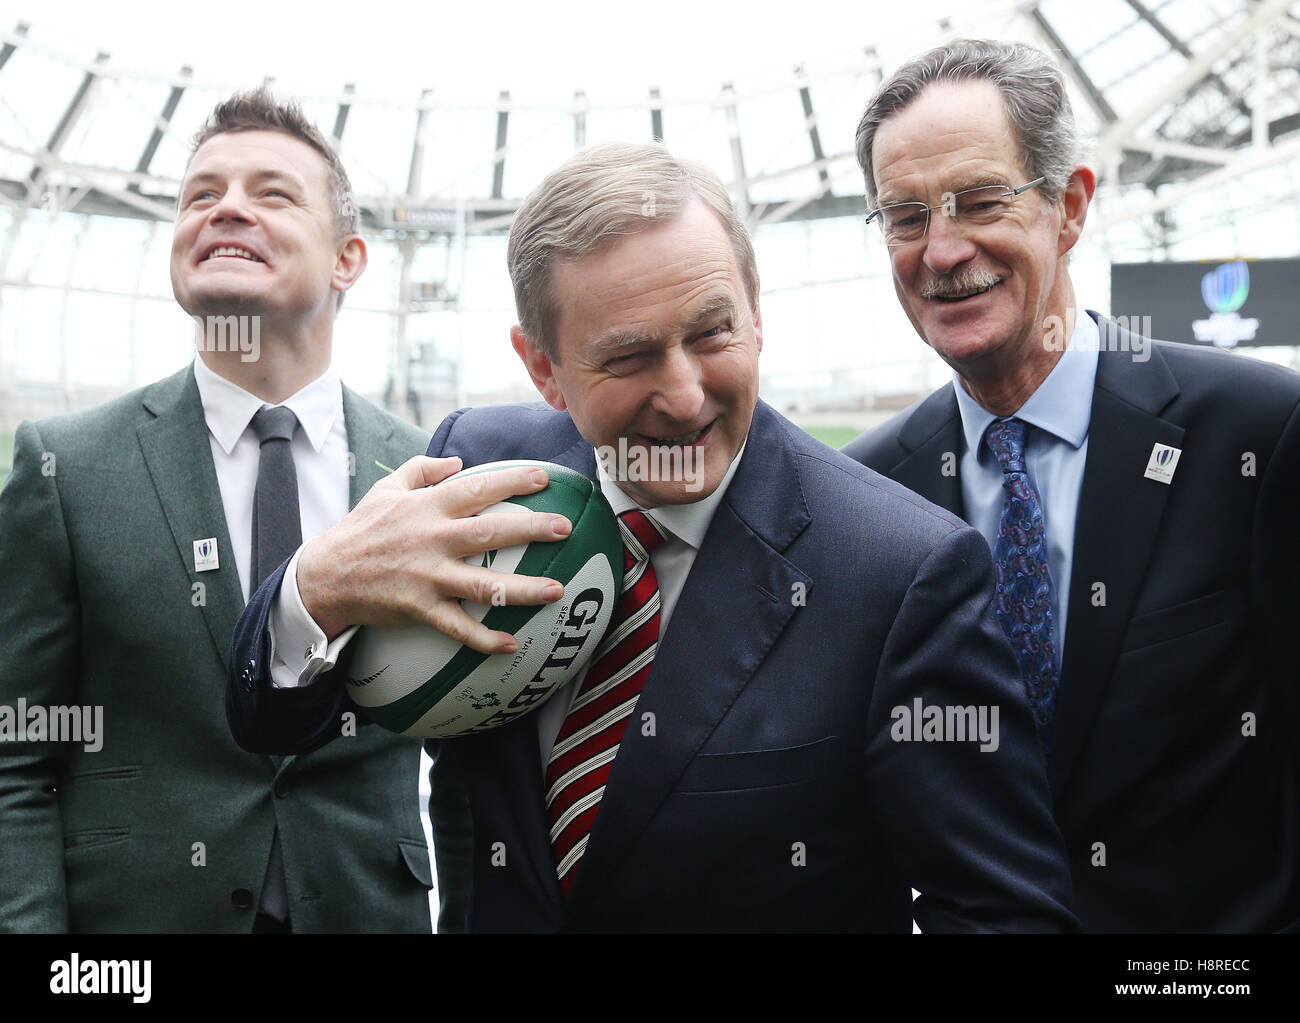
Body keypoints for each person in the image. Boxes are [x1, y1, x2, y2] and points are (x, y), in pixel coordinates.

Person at [227, 141, 1078, 933]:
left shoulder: (902, 572)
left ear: (756, 311)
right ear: (543, 368)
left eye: (712, 333)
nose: (683, 394)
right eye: (629, 357)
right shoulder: (475, 470)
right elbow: (275, 717)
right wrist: (319, 586)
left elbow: (1004, 912)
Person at [844, 38, 1300, 933]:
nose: (940, 251)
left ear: (1071, 205)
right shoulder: (864, 494)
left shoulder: (1259, 430)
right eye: (904, 217)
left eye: (979, 202)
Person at [0, 88, 452, 933]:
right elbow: (14, 755)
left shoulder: (425, 472)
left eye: (271, 194)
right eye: (200, 195)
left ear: (349, 256)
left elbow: (466, 769)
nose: (226, 209)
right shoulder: (64, 469)